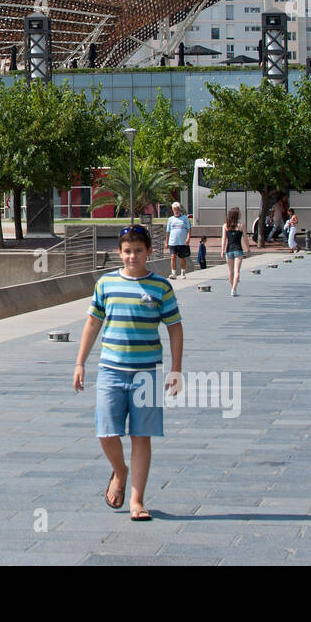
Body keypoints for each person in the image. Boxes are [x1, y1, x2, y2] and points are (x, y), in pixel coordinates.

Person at [73, 224, 183, 522]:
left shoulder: (161, 287)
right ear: (118, 253)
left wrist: (176, 369)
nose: (132, 256)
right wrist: (80, 362)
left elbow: (174, 327)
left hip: (146, 372)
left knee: (141, 435)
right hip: (111, 369)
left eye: (138, 251)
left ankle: (137, 499)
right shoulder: (106, 283)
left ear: (148, 252)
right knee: (106, 431)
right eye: (126, 251)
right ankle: (120, 470)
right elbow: (92, 323)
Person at [224, 207, 249, 297]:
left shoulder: (225, 226)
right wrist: (248, 249)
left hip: (229, 250)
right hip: (238, 249)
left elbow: (224, 239)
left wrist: (222, 250)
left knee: (231, 272)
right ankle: (234, 288)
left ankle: (233, 288)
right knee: (237, 270)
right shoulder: (241, 225)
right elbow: (245, 238)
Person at [166, 202, 192, 279]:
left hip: (182, 242)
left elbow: (189, 229)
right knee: (173, 257)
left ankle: (183, 272)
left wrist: (188, 238)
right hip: (173, 242)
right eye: (174, 210)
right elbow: (168, 231)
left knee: (182, 257)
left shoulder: (185, 218)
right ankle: (173, 273)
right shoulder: (170, 219)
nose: (176, 211)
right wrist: (166, 242)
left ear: (180, 209)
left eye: (177, 209)